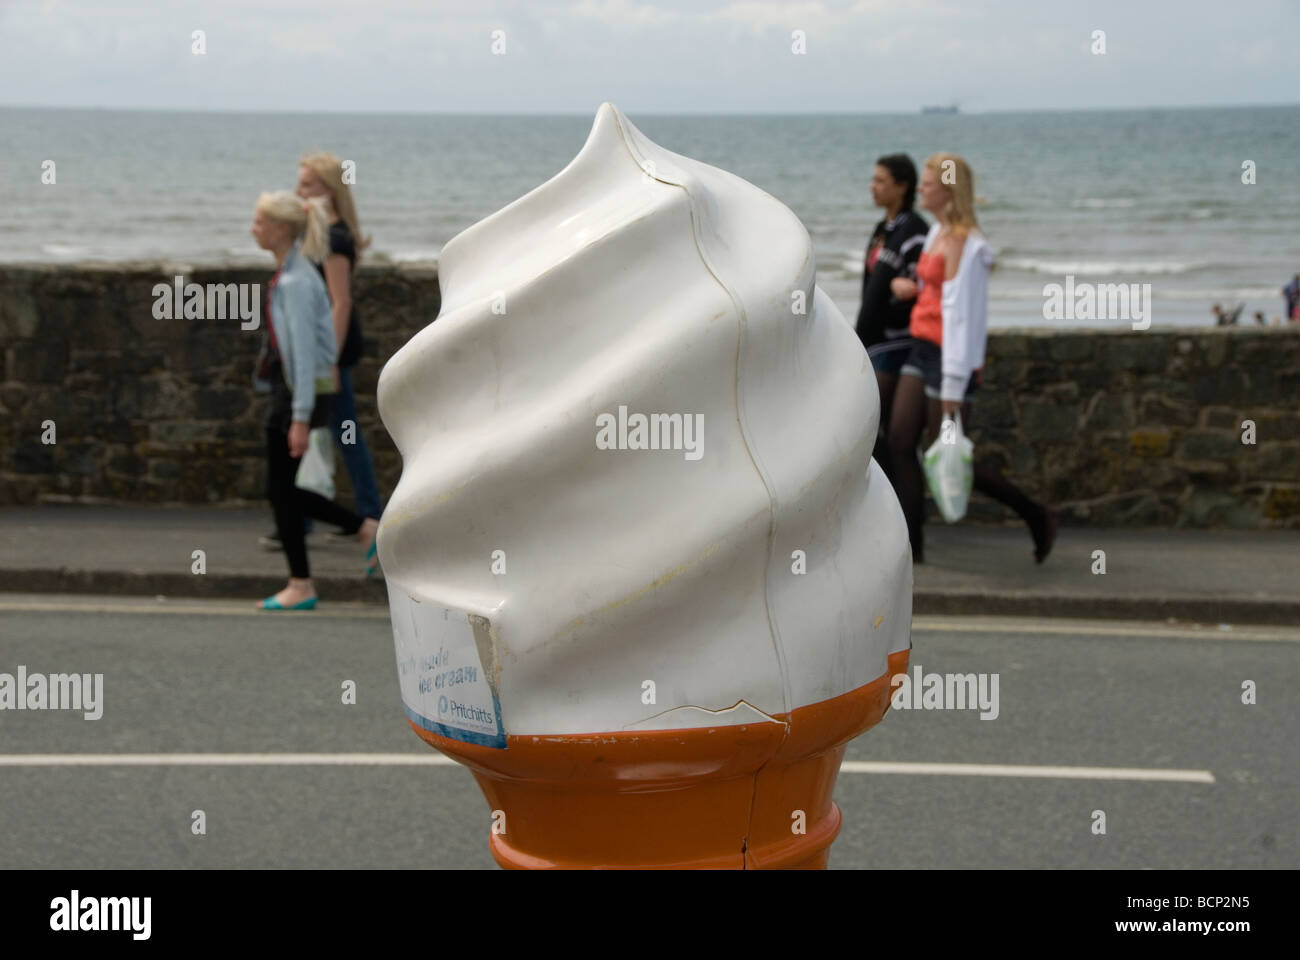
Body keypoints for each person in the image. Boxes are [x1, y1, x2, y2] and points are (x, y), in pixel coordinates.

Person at [885, 153, 1057, 565]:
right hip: (921, 345)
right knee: (898, 440)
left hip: (950, 358)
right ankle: (913, 548)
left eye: (928, 184)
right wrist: (909, 286)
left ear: (947, 190)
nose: (921, 190)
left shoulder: (968, 243)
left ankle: (1035, 514)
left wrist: (952, 387)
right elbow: (935, 289)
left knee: (949, 452)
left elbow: (964, 317)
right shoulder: (938, 232)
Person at [250, 190, 379, 609]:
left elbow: (305, 356)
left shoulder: (297, 283)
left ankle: (308, 578)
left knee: (282, 490)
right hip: (292, 394)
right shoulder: (294, 274)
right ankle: (312, 573)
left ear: (282, 228)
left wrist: (300, 417)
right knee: (282, 490)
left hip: (297, 396)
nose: (253, 228)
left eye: (259, 222)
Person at [295, 152, 384, 552]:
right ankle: (310, 517)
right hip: (322, 350)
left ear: (330, 191)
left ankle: (367, 515)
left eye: (308, 185)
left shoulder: (334, 239)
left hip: (330, 352)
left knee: (342, 433)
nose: (300, 191)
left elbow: (340, 302)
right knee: (325, 432)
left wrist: (327, 359)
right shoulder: (319, 233)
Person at [854, 154, 928, 482]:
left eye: (881, 181)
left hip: (897, 347)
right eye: (873, 180)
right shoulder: (882, 229)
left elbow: (916, 291)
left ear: (903, 187)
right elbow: (872, 288)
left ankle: (903, 509)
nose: (873, 187)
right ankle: (896, 497)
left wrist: (891, 309)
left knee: (867, 427)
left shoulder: (915, 230)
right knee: (879, 436)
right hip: (874, 344)